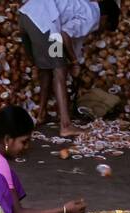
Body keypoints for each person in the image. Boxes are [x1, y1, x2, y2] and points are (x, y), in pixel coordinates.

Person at [0, 106, 86, 213]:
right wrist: (64, 210)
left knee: (10, 177)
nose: (26, 147)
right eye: (24, 141)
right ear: (8, 140)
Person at [18, 0, 112, 136]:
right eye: (106, 25)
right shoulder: (93, 15)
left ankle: (42, 114)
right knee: (60, 70)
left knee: (45, 69)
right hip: (44, 21)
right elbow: (65, 35)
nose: (102, 29)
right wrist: (74, 62)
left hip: (26, 16)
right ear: (105, 18)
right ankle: (66, 126)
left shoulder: (83, 5)